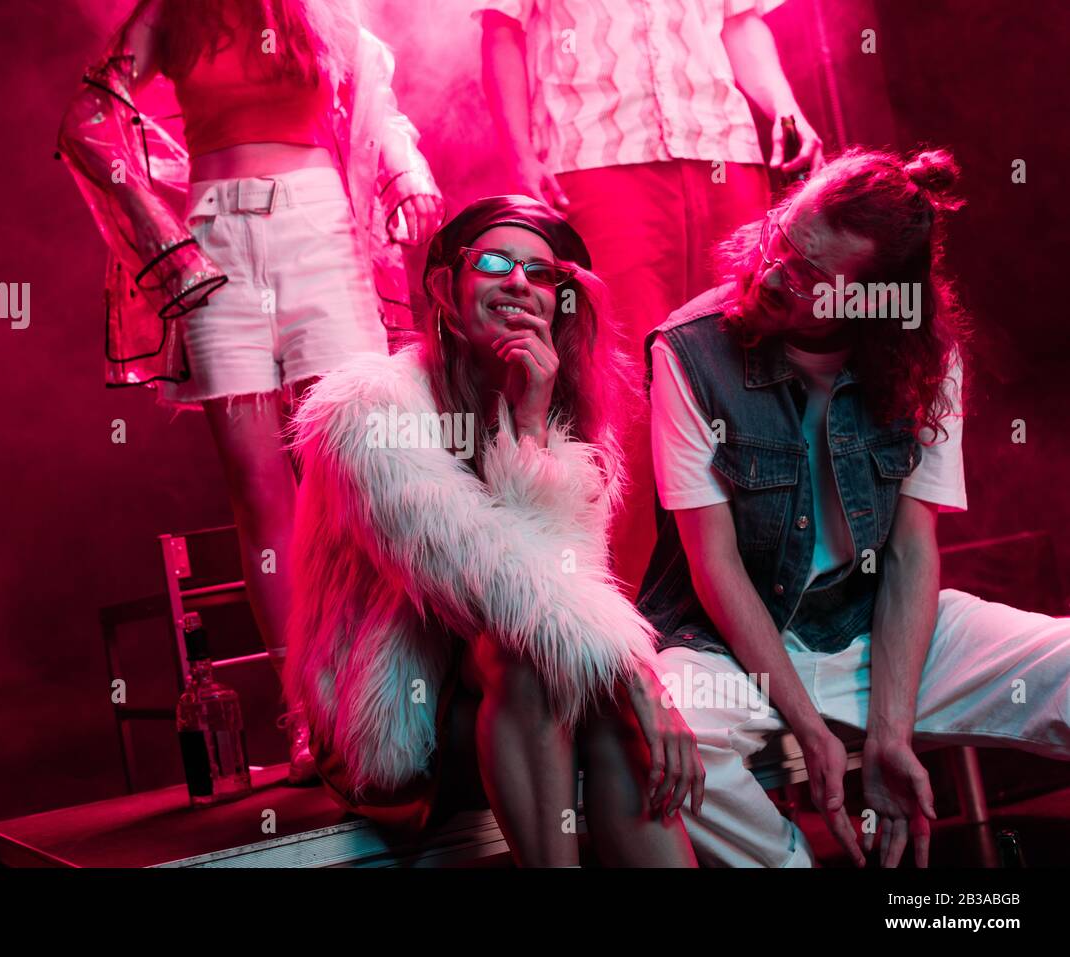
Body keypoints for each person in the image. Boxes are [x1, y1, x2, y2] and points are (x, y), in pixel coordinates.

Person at [638, 146, 1070, 867]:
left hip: (875, 631)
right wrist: (811, 728)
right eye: (782, 236)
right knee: (667, 735)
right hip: (734, 646)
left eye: (810, 275)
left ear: (870, 300)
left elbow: (909, 550)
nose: (775, 272)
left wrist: (891, 730)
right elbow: (713, 564)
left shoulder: (926, 358)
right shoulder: (689, 349)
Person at [56, 0, 443, 783]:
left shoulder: (319, 9)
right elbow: (88, 119)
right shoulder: (170, 11)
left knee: (350, 472)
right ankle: (309, 713)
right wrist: (151, 225)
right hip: (214, 234)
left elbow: (373, 94)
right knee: (257, 490)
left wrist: (406, 169)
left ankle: (386, 696)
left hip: (317, 225)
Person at [285, 195, 702, 867]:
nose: (519, 282)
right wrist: (639, 676)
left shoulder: (566, 418)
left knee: (585, 689)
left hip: (524, 707)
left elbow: (564, 580)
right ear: (445, 288)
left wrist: (531, 428)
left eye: (542, 274)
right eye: (496, 263)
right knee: (533, 655)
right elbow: (493, 579)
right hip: (399, 718)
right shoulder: (367, 407)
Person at [478, 0, 823, 596]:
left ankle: (767, 595)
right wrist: (519, 154)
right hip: (600, 158)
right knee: (628, 391)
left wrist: (784, 106)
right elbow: (500, 32)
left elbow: (741, 22)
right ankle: (631, 620)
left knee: (750, 371)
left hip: (722, 148)